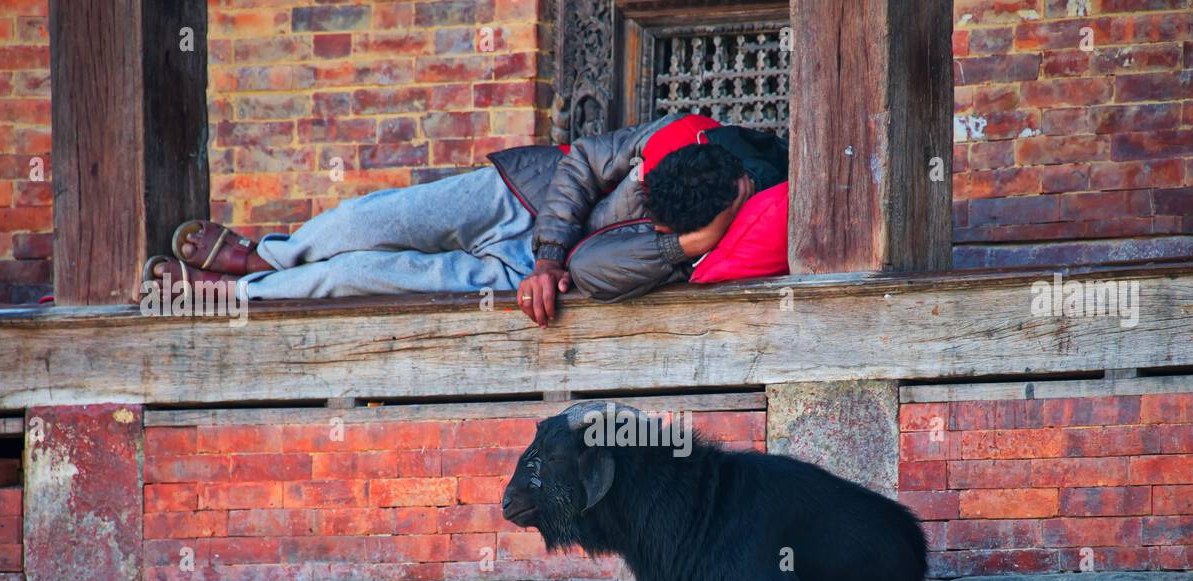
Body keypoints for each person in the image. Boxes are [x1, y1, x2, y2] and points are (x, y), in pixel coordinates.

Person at [143, 112, 787, 326]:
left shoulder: (723, 241)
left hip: (510, 273)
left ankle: (234, 293)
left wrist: (686, 248)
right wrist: (550, 253)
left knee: (364, 276)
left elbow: (596, 267)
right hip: (524, 199)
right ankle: (269, 256)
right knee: (366, 219)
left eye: (671, 234)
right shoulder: (685, 142)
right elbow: (587, 161)